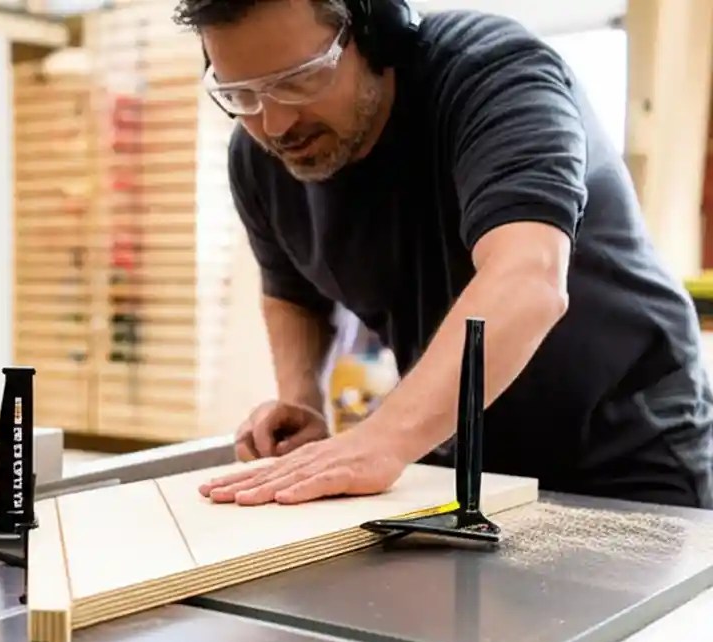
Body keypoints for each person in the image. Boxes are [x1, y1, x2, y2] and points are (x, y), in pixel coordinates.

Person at [176, 0, 713, 509]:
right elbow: (289, 289)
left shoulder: (492, 76)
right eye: (243, 93)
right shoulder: (259, 157)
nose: (275, 124)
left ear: (373, 28)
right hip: (464, 443)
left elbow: (528, 276)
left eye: (299, 80)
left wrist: (382, 439)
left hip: (626, 441)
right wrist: (303, 401)